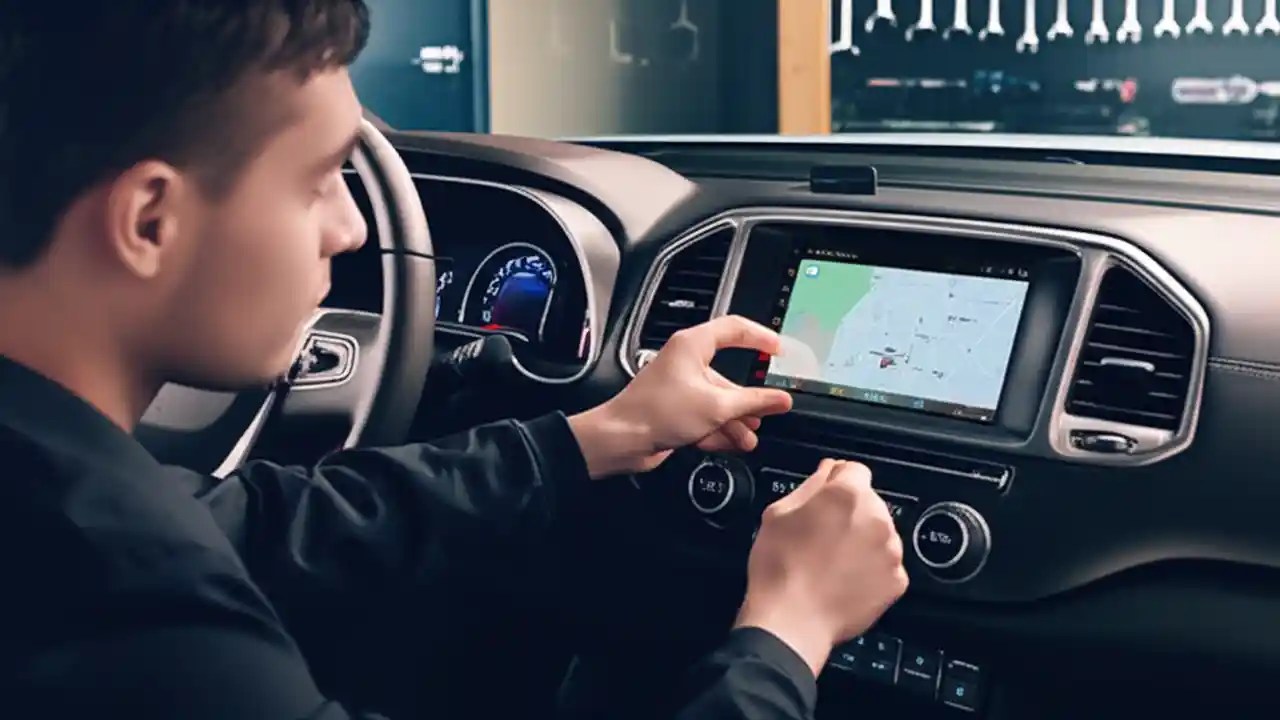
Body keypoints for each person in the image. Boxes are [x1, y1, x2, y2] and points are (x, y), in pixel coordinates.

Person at [0, 2, 908, 719]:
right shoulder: (122, 605)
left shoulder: (60, 492)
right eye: (319, 182)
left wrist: (600, 432)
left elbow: (250, 523)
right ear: (149, 220)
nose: (351, 228)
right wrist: (787, 634)